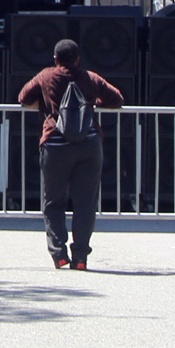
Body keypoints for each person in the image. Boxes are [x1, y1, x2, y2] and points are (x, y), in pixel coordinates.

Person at [17, 37, 125, 270]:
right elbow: (117, 99)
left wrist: (46, 104)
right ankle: (81, 258)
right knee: (85, 202)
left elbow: (23, 98)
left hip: (55, 145)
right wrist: (93, 102)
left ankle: (59, 253)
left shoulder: (46, 76)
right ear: (78, 59)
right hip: (89, 145)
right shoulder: (90, 77)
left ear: (56, 59)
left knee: (53, 202)